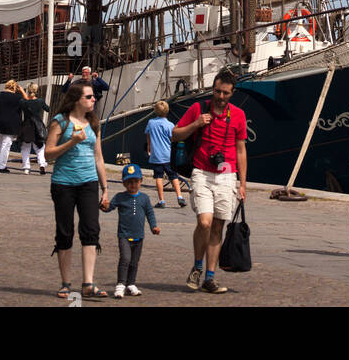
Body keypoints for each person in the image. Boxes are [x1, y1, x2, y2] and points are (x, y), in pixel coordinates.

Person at [172, 69, 248, 294]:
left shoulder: (238, 115)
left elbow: (241, 150)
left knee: (217, 226)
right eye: (217, 91)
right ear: (212, 89)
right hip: (202, 173)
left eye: (225, 93)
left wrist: (243, 184)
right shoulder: (198, 109)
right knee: (204, 222)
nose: (220, 96)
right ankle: (197, 266)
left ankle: (210, 277)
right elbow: (175, 134)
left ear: (232, 93)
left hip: (227, 174)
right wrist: (196, 124)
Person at [45, 79, 109, 300]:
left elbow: (99, 157)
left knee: (91, 230)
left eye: (93, 96)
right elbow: (48, 154)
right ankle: (65, 283)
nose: (94, 99)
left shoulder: (93, 123)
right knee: (65, 232)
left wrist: (105, 188)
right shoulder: (60, 122)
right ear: (76, 100)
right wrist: (71, 142)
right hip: (63, 183)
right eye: (89, 97)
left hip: (88, 183)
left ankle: (88, 283)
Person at [103, 162, 160, 298]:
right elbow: (109, 207)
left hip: (139, 235)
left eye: (135, 181)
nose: (133, 184)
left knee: (134, 262)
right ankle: (120, 284)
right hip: (124, 235)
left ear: (141, 181)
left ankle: (131, 284)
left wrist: (153, 226)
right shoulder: (120, 197)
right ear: (124, 183)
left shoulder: (144, 198)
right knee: (125, 259)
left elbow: (150, 213)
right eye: (129, 182)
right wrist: (104, 206)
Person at [145, 100, 186, 209]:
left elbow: (148, 136)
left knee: (158, 177)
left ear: (155, 110)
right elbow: (173, 139)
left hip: (156, 155)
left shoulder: (151, 123)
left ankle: (161, 201)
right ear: (167, 111)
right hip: (168, 155)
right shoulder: (170, 125)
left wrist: (149, 147)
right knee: (174, 176)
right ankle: (180, 197)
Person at [0, 79, 25, 173]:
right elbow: (27, 103)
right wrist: (22, 91)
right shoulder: (18, 98)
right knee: (6, 145)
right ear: (15, 88)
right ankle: (2, 166)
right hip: (10, 124)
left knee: (1, 143)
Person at [20, 83, 49, 175]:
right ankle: (42, 164)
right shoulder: (40, 101)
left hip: (27, 125)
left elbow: (25, 102)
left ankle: (26, 167)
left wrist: (21, 91)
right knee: (40, 146)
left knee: (25, 147)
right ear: (36, 91)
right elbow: (47, 109)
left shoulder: (23, 102)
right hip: (38, 125)